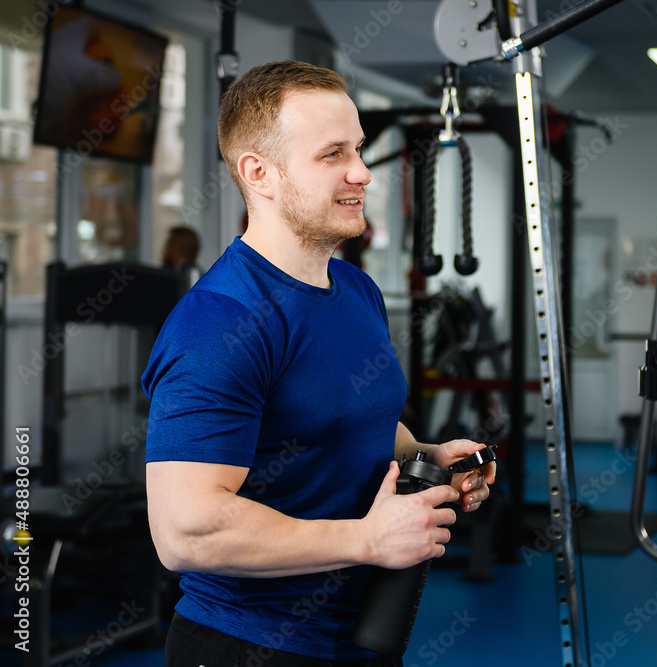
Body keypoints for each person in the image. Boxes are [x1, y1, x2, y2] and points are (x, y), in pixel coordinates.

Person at [142, 60, 495, 667]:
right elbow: (184, 531)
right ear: (260, 174)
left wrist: (427, 458)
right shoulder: (220, 322)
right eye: (333, 154)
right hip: (250, 646)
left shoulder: (356, 291)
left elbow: (364, 425)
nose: (362, 171)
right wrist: (366, 539)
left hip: (361, 635)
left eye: (357, 148)